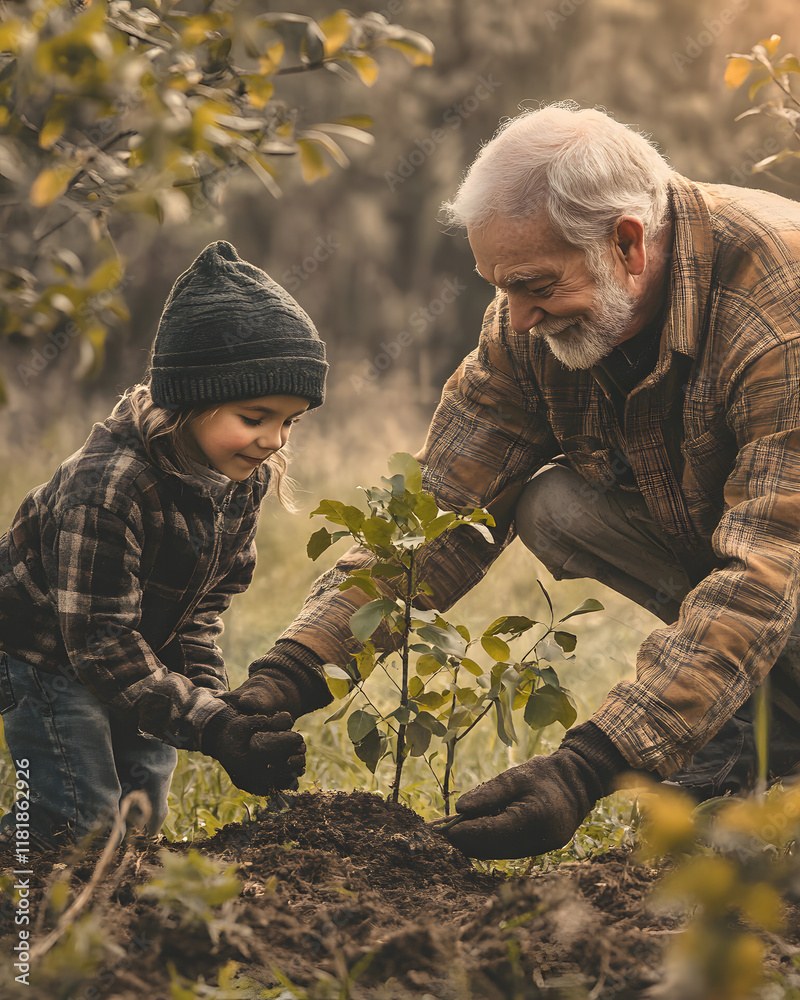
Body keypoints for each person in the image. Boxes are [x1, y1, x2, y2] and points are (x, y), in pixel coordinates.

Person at [223, 103, 800, 860]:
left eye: (534, 285)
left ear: (627, 241)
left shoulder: (775, 311)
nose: (518, 319)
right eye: (502, 288)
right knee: (554, 506)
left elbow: (766, 568)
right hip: (754, 564)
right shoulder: (526, 322)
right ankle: (774, 715)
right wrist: (292, 673)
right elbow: (444, 507)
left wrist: (589, 765)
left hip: (778, 559)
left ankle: (770, 722)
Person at [0, 240, 331, 850]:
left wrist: (221, 707)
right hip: (48, 656)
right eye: (256, 417)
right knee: (79, 817)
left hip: (135, 648)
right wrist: (212, 728)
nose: (273, 441)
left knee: (142, 802)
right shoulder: (106, 487)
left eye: (291, 421)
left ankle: (122, 921)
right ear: (190, 400)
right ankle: (24, 909)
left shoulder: (237, 478)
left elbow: (201, 608)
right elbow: (99, 645)